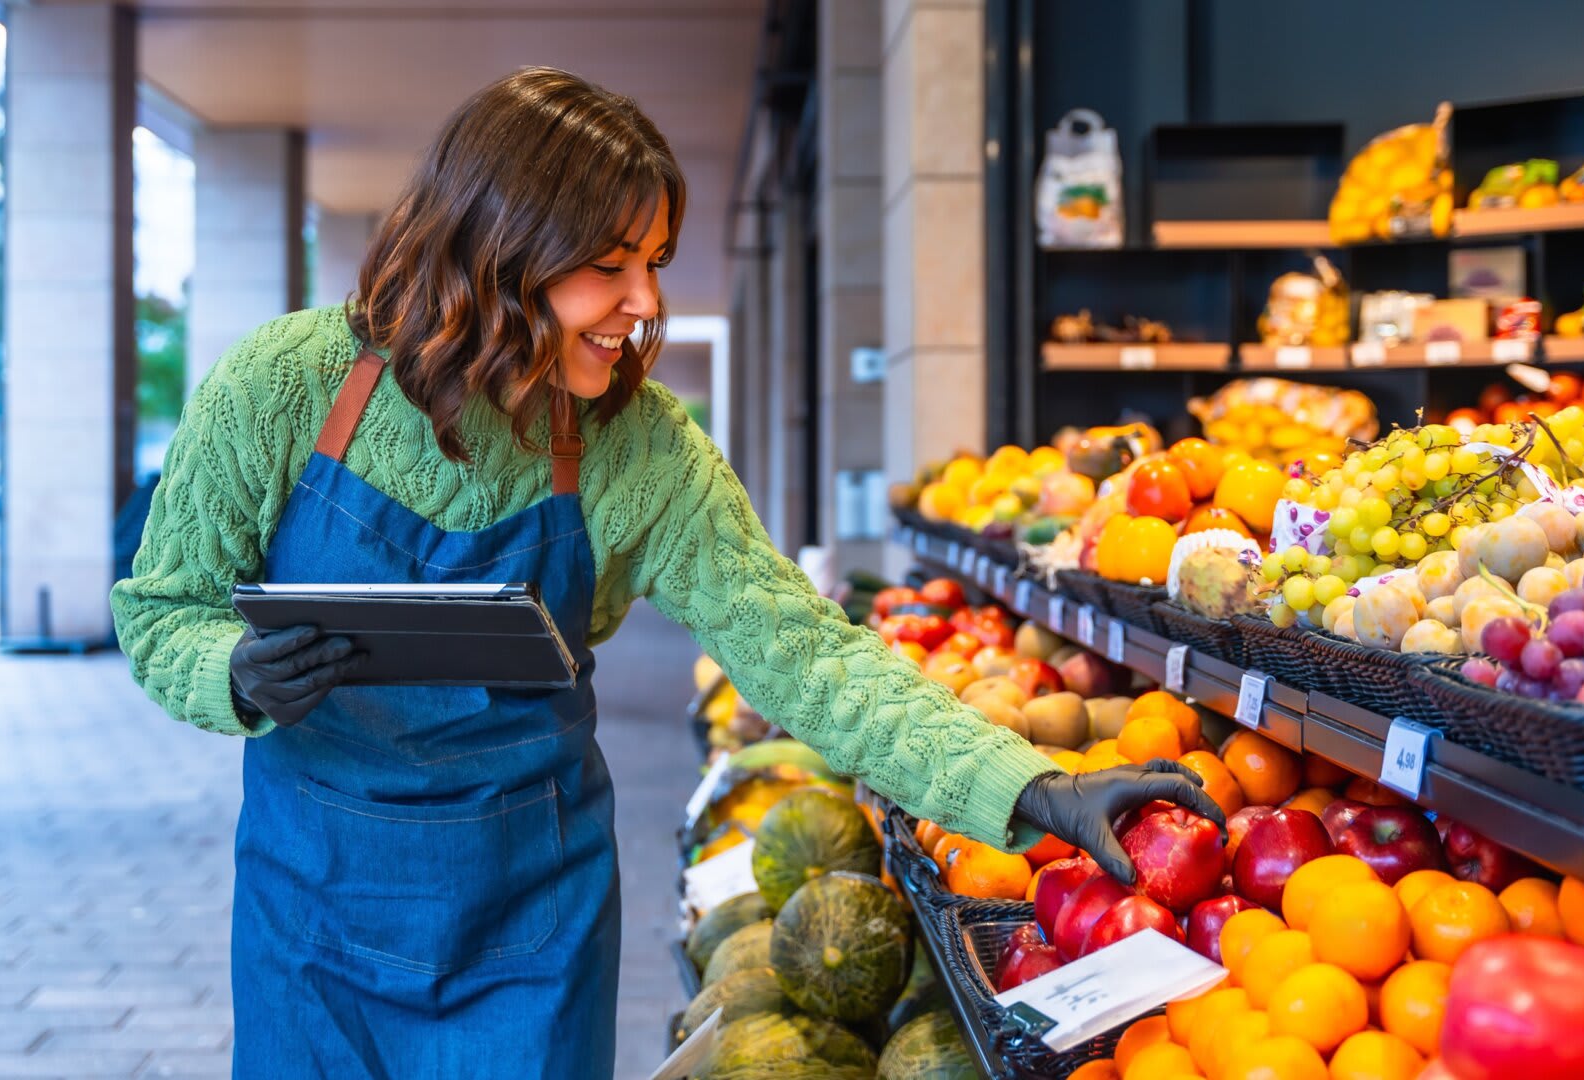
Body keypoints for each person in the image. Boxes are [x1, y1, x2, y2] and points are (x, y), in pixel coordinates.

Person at [111, 67, 1221, 1079]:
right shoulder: (282, 387)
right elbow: (162, 614)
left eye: (655, 264)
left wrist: (1032, 786)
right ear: (495, 244)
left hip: (526, 928)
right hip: (313, 916)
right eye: (609, 267)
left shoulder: (638, 449)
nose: (646, 302)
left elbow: (804, 656)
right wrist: (235, 674)